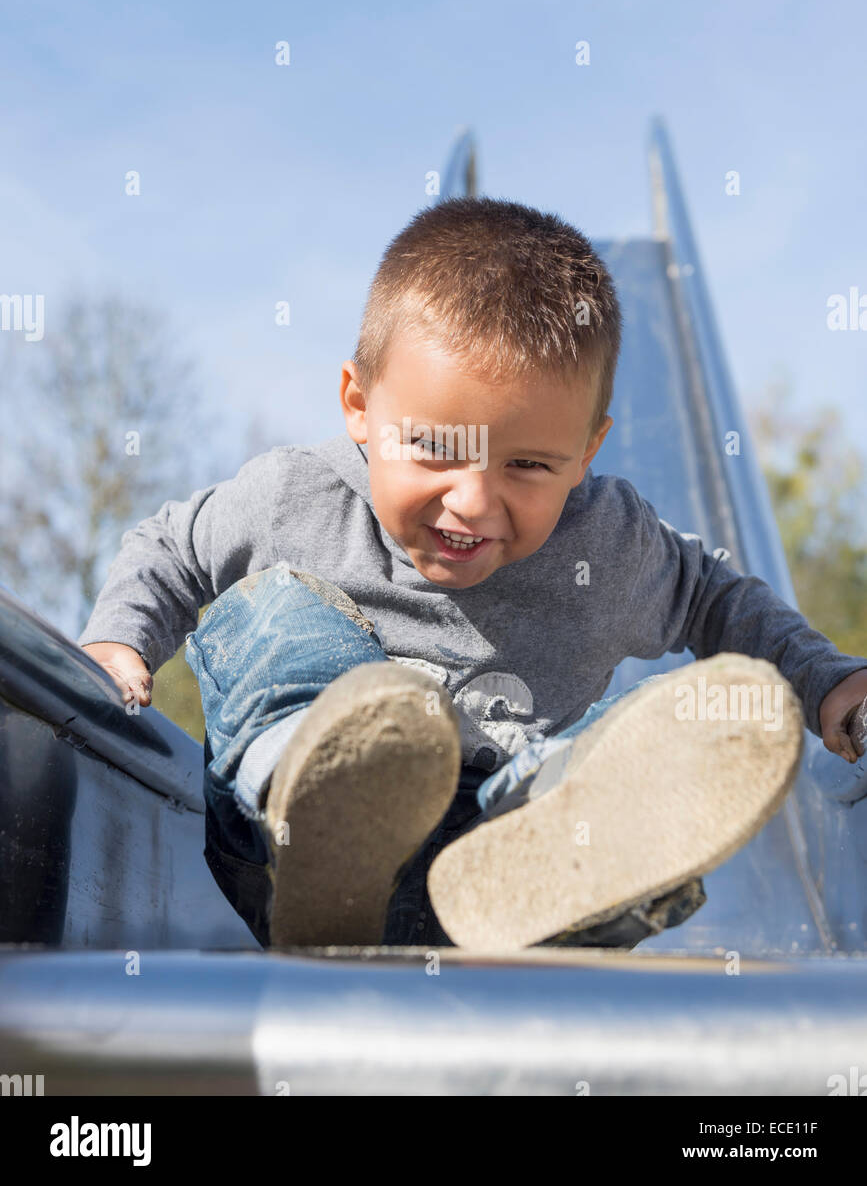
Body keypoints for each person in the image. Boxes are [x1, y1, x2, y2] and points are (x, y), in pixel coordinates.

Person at [79, 197, 867, 952]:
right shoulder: (295, 497)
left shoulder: (606, 542)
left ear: (587, 453)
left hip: (483, 852)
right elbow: (172, 548)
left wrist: (824, 680)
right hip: (281, 848)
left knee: (646, 738)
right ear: (358, 404)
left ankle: (542, 868)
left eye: (527, 465)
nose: (474, 501)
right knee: (276, 613)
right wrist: (122, 641)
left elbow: (713, 596)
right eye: (435, 449)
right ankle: (322, 797)